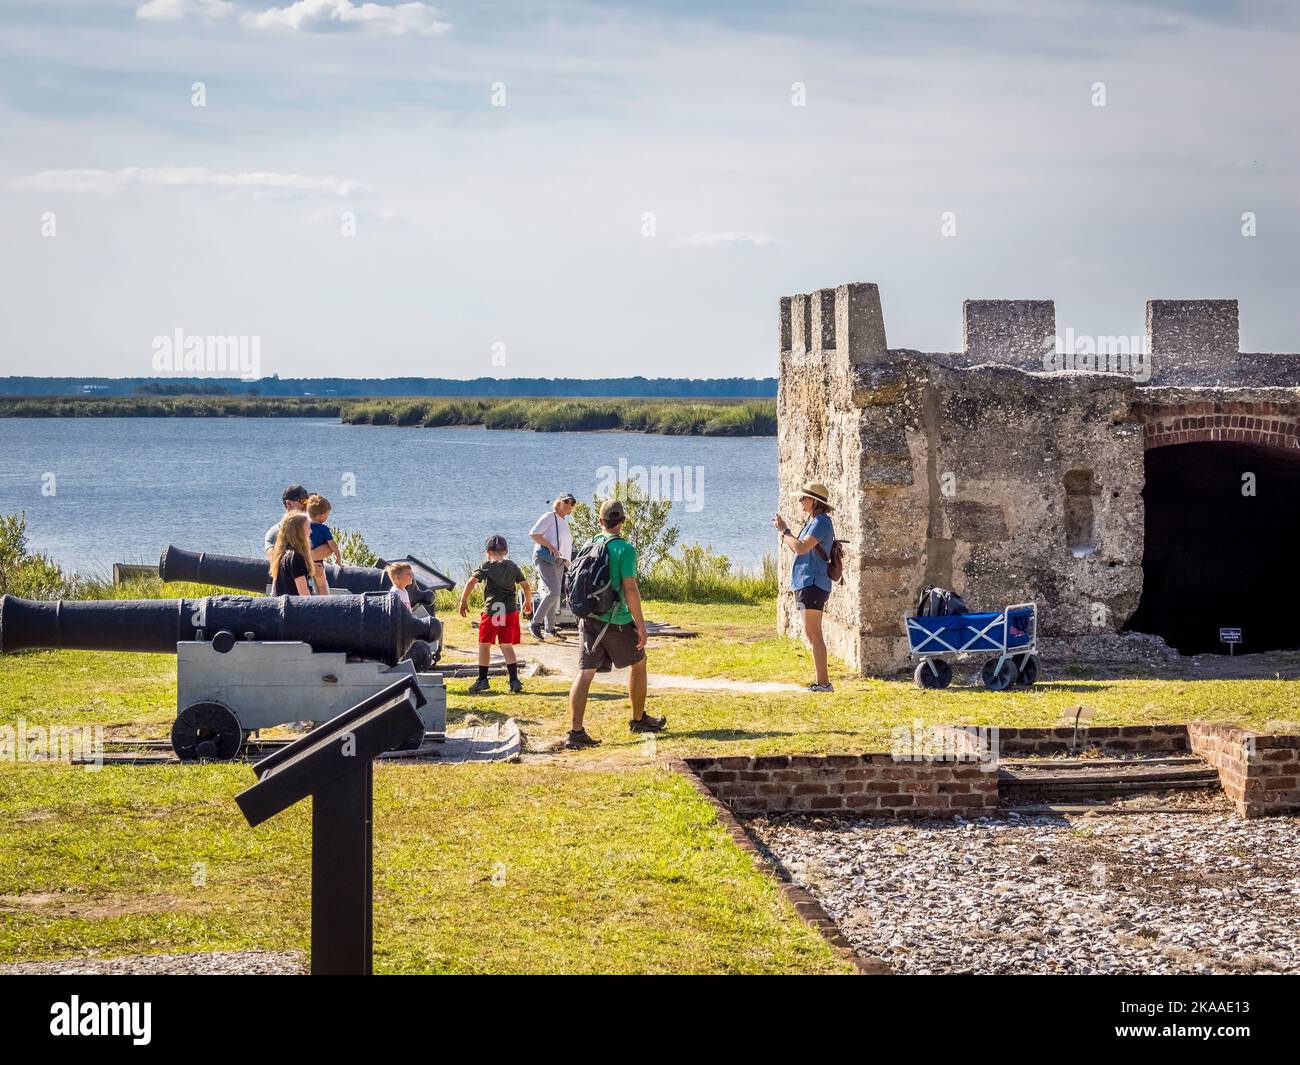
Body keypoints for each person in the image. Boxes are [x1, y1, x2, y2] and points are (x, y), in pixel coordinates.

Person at [566, 499, 666, 749]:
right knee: (639, 662)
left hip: (588, 617)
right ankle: (638, 718)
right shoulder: (624, 548)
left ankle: (575, 731)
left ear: (600, 522)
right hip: (615, 618)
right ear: (622, 521)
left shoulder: (590, 543)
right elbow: (630, 589)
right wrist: (641, 625)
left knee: (585, 672)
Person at [773, 481, 836, 692]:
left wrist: (784, 531)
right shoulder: (814, 522)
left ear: (813, 501)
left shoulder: (821, 523)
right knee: (811, 634)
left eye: (803, 498)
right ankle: (822, 681)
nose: (800, 501)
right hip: (806, 583)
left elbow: (800, 548)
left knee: (814, 634)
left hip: (813, 583)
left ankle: (824, 683)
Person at [458, 535, 533, 695]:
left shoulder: (487, 566)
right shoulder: (512, 566)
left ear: (487, 552)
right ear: (505, 551)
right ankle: (514, 680)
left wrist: (463, 600)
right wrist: (528, 602)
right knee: (506, 645)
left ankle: (483, 679)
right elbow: (526, 586)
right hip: (510, 610)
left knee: (485, 645)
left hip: (493, 610)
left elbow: (471, 582)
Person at [528, 492, 577, 641]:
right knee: (554, 592)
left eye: (572, 503)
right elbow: (534, 534)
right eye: (567, 501)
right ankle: (534, 623)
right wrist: (551, 547)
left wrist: (568, 562)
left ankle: (550, 630)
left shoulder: (564, 522)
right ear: (559, 502)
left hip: (559, 561)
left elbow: (564, 545)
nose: (569, 505)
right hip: (545, 558)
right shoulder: (550, 516)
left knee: (553, 594)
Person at [269, 512, 316, 596]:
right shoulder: (296, 557)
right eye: (308, 527)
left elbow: (274, 589)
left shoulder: (281, 553)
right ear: (299, 531)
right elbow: (304, 593)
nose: (311, 531)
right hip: (296, 606)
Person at [305, 494, 342, 595]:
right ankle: (325, 603)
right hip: (317, 562)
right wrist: (338, 557)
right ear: (321, 515)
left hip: (304, 561)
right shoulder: (324, 529)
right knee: (322, 585)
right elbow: (332, 544)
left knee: (305, 585)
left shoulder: (304, 525)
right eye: (327, 514)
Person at [265, 484, 311, 560]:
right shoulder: (274, 532)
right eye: (303, 501)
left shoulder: (311, 528)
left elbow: (327, 548)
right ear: (289, 503)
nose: (307, 505)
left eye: (307, 501)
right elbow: (275, 560)